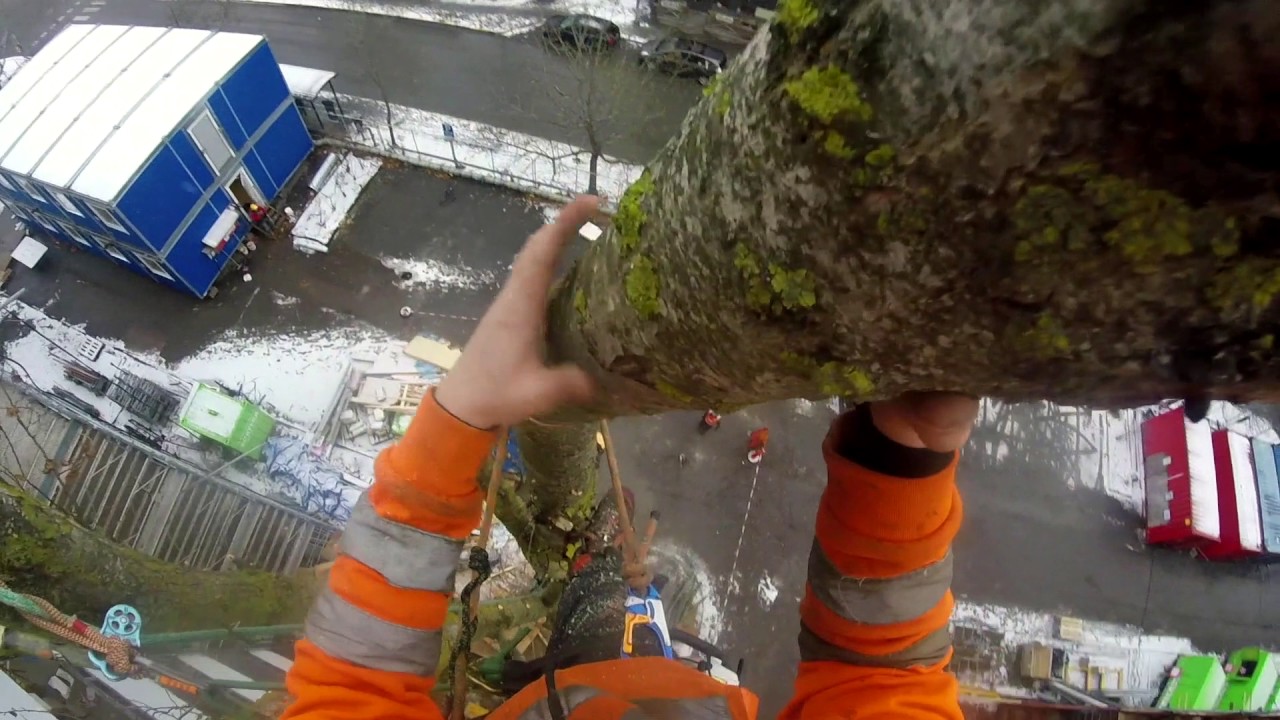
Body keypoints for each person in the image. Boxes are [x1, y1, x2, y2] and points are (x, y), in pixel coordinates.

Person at [281, 196, 979, 720]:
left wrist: (453, 428)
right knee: (607, 610)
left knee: (590, 610)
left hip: (566, 678)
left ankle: (586, 596)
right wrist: (901, 467)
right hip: (644, 680)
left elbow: (352, 685)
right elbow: (885, 685)